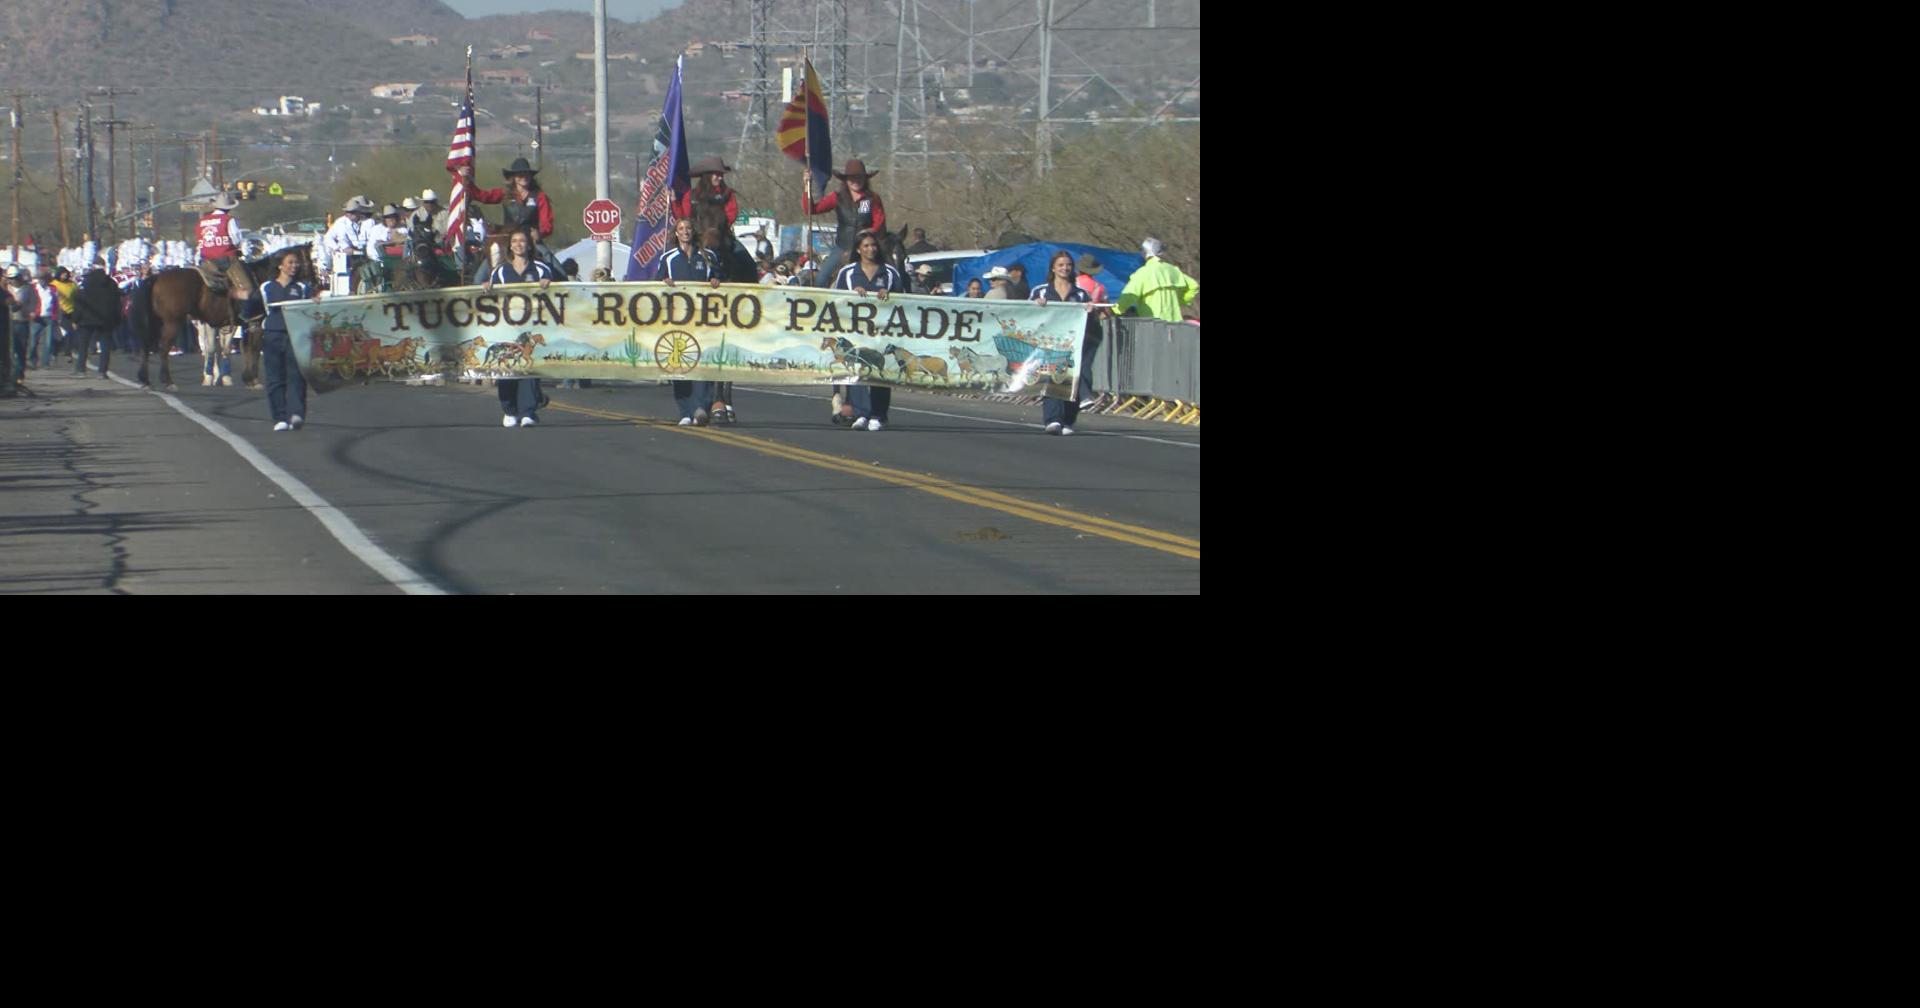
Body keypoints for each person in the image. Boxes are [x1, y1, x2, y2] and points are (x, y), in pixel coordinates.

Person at [828, 230, 907, 432]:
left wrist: (890, 295)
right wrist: (852, 295)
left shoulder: (889, 272)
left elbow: (904, 300)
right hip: (856, 331)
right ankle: (861, 413)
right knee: (858, 371)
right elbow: (836, 300)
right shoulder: (847, 273)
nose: (870, 249)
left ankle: (879, 415)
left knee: (880, 372)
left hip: (882, 331)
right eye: (866, 246)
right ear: (858, 249)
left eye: (873, 245)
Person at [483, 229, 555, 428]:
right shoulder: (500, 271)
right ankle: (509, 410)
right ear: (510, 246)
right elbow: (490, 298)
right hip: (506, 328)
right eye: (514, 241)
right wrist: (486, 288)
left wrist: (549, 284)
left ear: (529, 245)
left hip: (531, 327)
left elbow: (557, 293)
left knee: (529, 368)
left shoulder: (541, 269)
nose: (518, 244)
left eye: (522, 241)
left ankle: (528, 412)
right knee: (507, 369)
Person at [653, 218, 721, 426]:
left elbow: (719, 279)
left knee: (703, 362)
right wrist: (664, 282)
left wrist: (715, 281)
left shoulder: (708, 256)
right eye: (681, 229)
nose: (685, 232)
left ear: (693, 232)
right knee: (679, 364)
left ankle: (701, 408)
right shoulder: (668, 258)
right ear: (676, 233)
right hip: (677, 320)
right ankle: (685, 411)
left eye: (688, 228)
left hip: (703, 319)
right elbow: (655, 285)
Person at [1029, 250, 1100, 436]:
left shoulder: (1081, 294)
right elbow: (1026, 313)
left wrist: (1091, 311)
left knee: (1073, 379)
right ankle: (1053, 419)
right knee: (1053, 378)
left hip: (1074, 343)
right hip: (1050, 343)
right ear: (1053, 267)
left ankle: (1068, 419)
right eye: (1060, 265)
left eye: (1068, 265)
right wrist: (1037, 305)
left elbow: (1091, 321)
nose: (1065, 268)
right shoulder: (1040, 290)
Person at [465, 157, 557, 277]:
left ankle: (564, 282)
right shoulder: (504, 194)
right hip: (507, 239)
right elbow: (482, 196)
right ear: (513, 178)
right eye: (519, 175)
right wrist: (466, 180)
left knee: (552, 264)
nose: (523, 177)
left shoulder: (540, 196)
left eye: (526, 174)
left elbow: (547, 222)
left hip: (531, 240)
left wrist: (540, 233)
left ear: (531, 176)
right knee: (479, 277)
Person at [801, 158, 885, 283]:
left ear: (865, 179)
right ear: (846, 180)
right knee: (821, 279)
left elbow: (880, 220)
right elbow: (811, 210)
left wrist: (871, 231)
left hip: (867, 248)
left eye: (859, 178)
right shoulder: (837, 197)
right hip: (842, 247)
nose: (855, 181)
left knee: (884, 274)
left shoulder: (872, 198)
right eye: (851, 178)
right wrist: (807, 186)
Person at [259, 251, 314, 432]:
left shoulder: (302, 288)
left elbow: (311, 310)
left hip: (296, 336)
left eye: (296, 263)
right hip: (273, 335)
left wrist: (316, 301)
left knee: (297, 376)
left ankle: (296, 413)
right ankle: (280, 417)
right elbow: (255, 308)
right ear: (280, 266)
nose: (294, 266)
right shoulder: (266, 287)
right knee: (275, 378)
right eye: (290, 263)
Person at [1113, 237, 1199, 322]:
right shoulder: (1172, 270)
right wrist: (1180, 302)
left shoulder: (1143, 273)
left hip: (1153, 325)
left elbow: (1129, 295)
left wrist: (1116, 310)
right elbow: (1194, 285)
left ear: (1145, 252)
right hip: (1175, 324)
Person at [73, 261, 122, 377]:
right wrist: (117, 319)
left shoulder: (86, 282)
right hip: (106, 319)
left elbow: (79, 302)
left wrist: (75, 318)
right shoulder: (111, 283)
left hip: (87, 318)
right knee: (105, 346)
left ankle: (81, 370)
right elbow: (117, 303)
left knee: (83, 345)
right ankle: (102, 371)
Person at [675, 155, 740, 238]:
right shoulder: (691, 195)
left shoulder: (727, 194)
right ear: (708, 176)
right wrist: (674, 201)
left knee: (741, 251)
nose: (720, 178)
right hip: (696, 238)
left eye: (721, 175)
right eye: (717, 175)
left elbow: (731, 215)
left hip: (721, 237)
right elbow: (684, 216)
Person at [321, 196, 376, 294]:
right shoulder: (341, 223)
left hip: (361, 254)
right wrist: (337, 248)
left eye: (354, 212)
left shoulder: (364, 222)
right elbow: (329, 238)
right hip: (346, 257)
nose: (351, 215)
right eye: (349, 212)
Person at [6, 265, 39, 376]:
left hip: (22, 321)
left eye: (15, 278)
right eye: (10, 278)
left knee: (21, 348)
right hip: (8, 322)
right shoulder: (5, 289)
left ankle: (19, 372)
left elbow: (34, 301)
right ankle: (10, 373)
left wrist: (31, 312)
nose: (13, 280)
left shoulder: (27, 288)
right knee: (10, 349)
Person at [51, 267, 79, 364]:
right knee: (59, 335)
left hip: (71, 312)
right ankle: (54, 353)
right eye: (63, 274)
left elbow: (77, 297)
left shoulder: (72, 285)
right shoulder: (54, 284)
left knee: (70, 334)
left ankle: (68, 353)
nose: (65, 275)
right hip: (59, 313)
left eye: (66, 274)